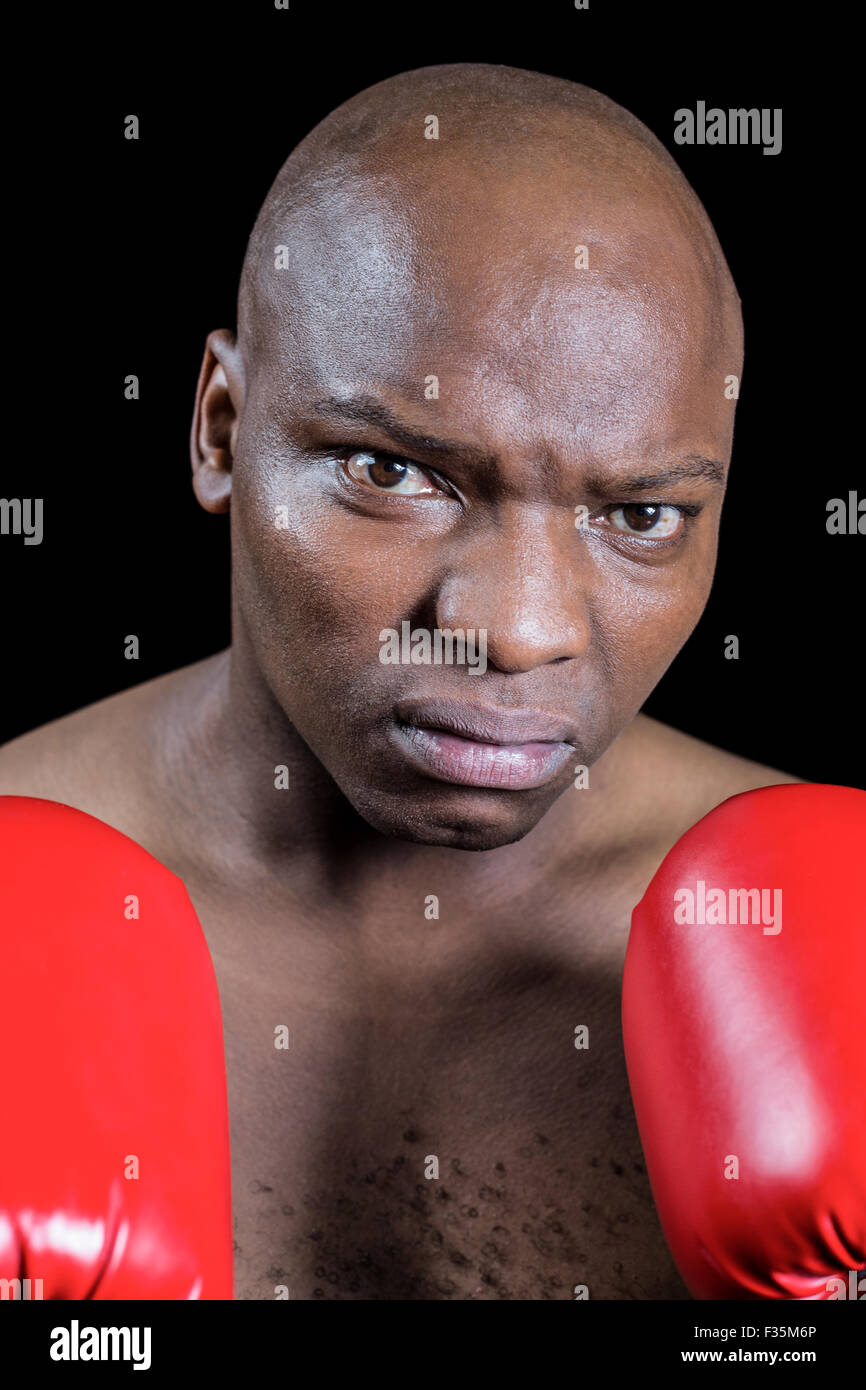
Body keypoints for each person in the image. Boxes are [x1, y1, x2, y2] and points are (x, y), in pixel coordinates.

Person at [0, 63, 799, 1300]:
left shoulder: (824, 953)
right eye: (394, 473)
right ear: (220, 429)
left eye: (639, 512)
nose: (520, 631)